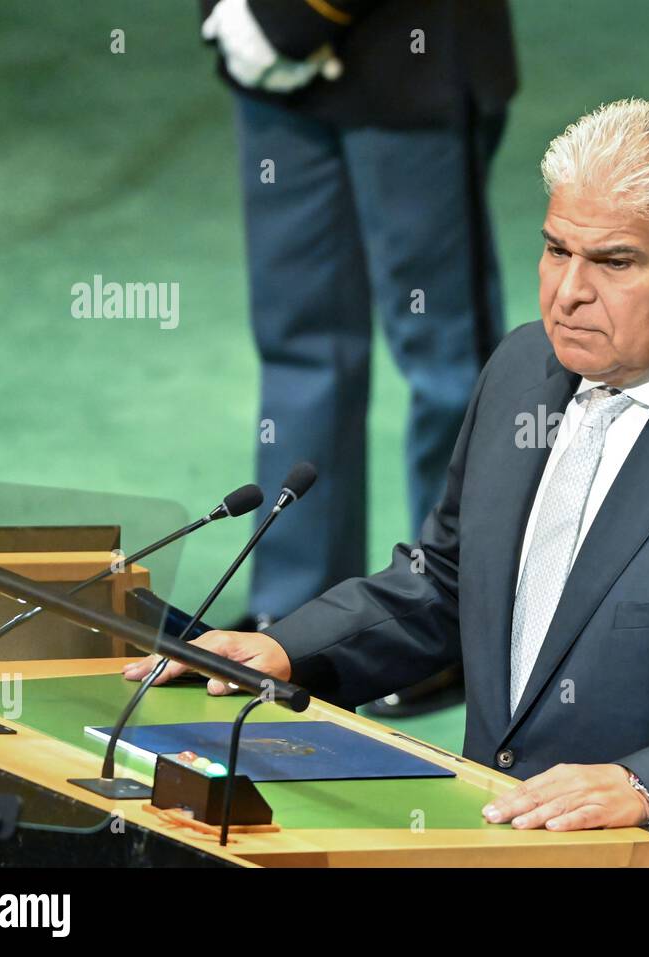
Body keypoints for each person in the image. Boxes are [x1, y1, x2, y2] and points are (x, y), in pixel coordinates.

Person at [127, 99, 649, 867]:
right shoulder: (524, 370)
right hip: (497, 838)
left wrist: (647, 783)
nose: (569, 291)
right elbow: (448, 580)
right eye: (557, 249)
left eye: (613, 261)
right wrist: (283, 649)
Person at [198, 0, 516, 714]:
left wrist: (285, 18)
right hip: (276, 73)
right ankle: (296, 612)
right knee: (299, 346)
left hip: (409, 54)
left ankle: (448, 624)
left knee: (445, 363)